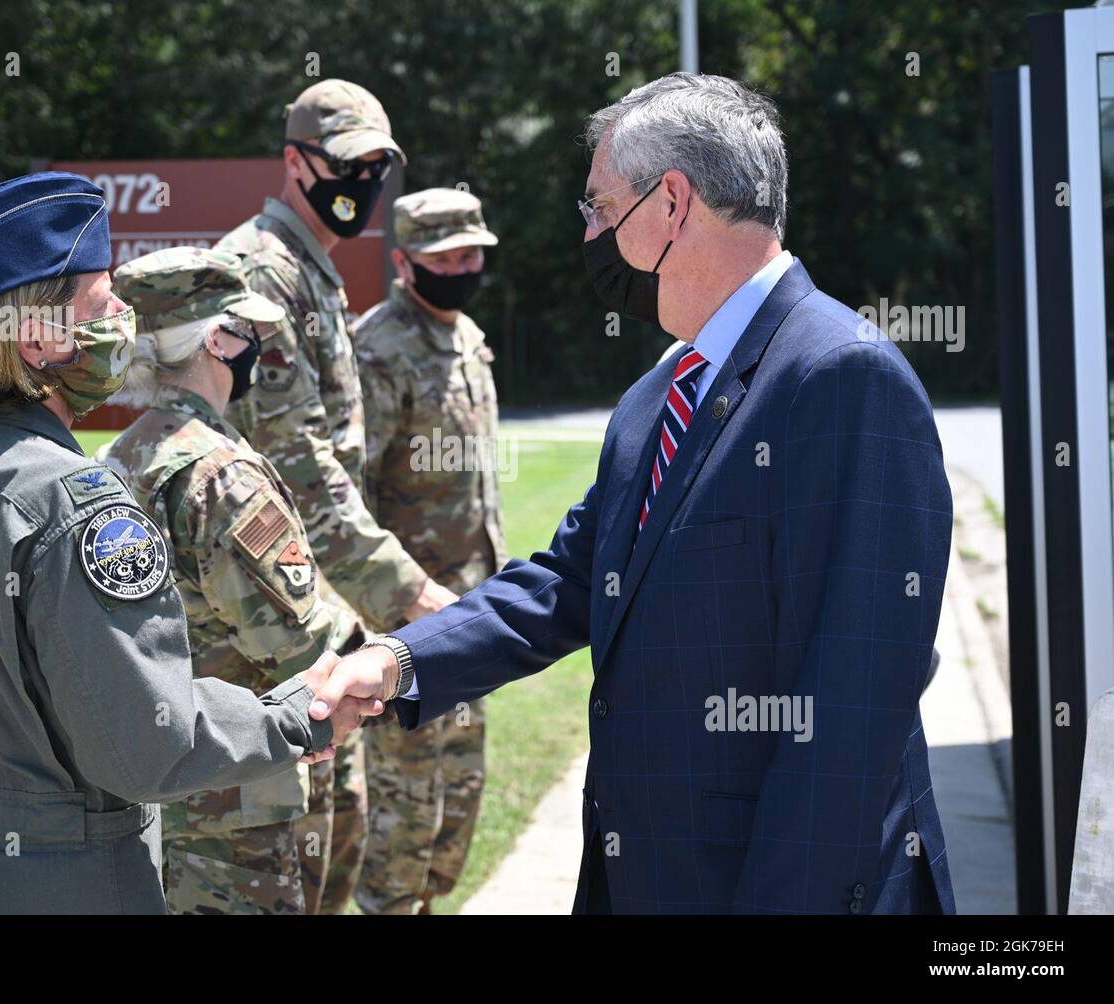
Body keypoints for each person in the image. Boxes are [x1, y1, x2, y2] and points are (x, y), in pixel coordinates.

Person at [311, 73, 957, 915]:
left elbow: (847, 719)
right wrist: (398, 662)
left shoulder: (840, 377)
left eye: (598, 206)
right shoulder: (660, 394)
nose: (588, 232)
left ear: (671, 204)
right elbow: (569, 580)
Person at [0, 173, 373, 915]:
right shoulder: (81, 502)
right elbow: (148, 745)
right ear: (39, 337)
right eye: (105, 305)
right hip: (77, 882)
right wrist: (299, 716)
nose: (123, 325)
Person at [215, 79, 456, 911]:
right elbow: (303, 471)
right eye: (346, 165)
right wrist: (415, 593)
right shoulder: (260, 273)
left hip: (310, 616)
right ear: (294, 162)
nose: (363, 184)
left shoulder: (310, 270)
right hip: (255, 630)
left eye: (376, 167)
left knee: (337, 844)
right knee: (277, 868)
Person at [95, 246, 365, 914]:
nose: (258, 348)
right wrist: (388, 658)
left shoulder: (115, 459)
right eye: (251, 332)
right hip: (233, 805)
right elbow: (300, 644)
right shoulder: (222, 475)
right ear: (219, 338)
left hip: (139, 788)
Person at [352, 188, 504, 914]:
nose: (462, 267)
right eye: (445, 257)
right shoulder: (376, 349)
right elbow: (348, 494)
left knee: (458, 805)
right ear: (407, 262)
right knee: (404, 816)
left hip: (472, 615)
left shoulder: (471, 338)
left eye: (472, 254)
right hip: (402, 627)